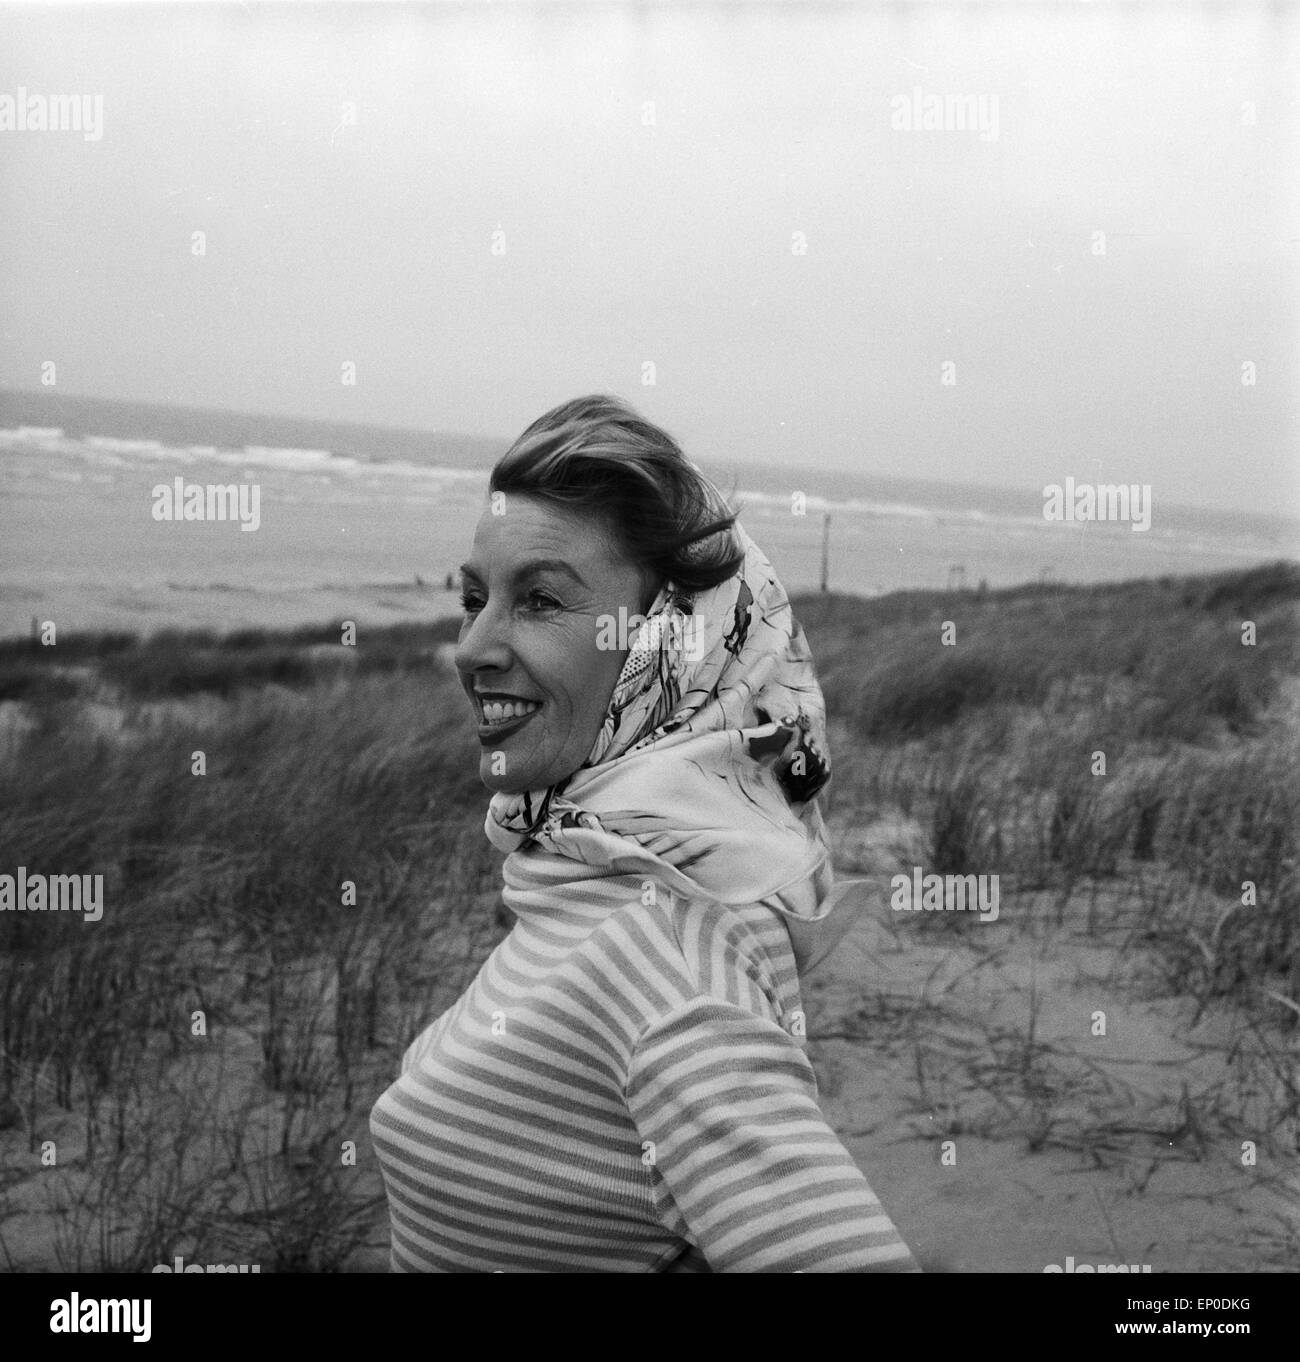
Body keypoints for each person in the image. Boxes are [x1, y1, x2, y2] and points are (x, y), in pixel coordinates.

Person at [369, 395, 919, 1272]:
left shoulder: (669, 950)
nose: (471, 647)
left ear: (671, 644)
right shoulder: (590, 877)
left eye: (540, 599)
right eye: (474, 599)